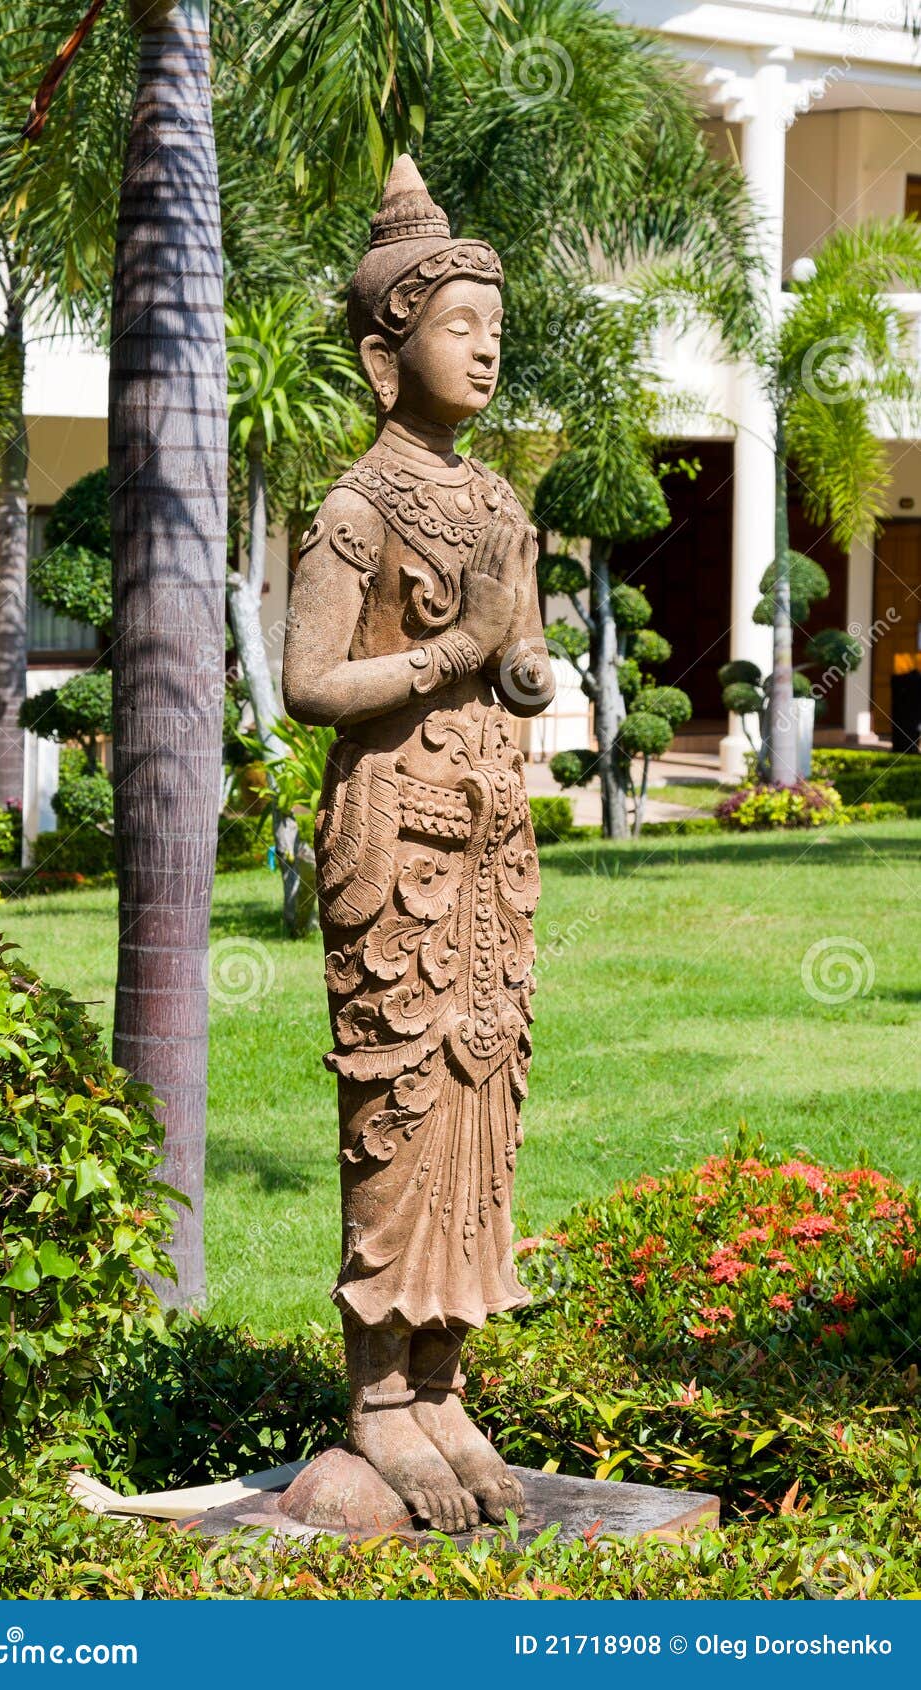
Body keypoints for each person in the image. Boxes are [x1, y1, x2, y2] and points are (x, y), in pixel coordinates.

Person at [282, 156, 554, 1534]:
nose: (487, 345)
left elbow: (525, 669)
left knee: (480, 1106)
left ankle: (445, 1378)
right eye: (460, 325)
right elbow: (309, 682)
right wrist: (451, 648)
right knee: (398, 1106)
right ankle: (378, 1400)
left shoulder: (500, 502)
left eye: (495, 326)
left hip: (493, 856)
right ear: (391, 355)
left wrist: (520, 658)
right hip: (396, 846)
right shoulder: (355, 506)